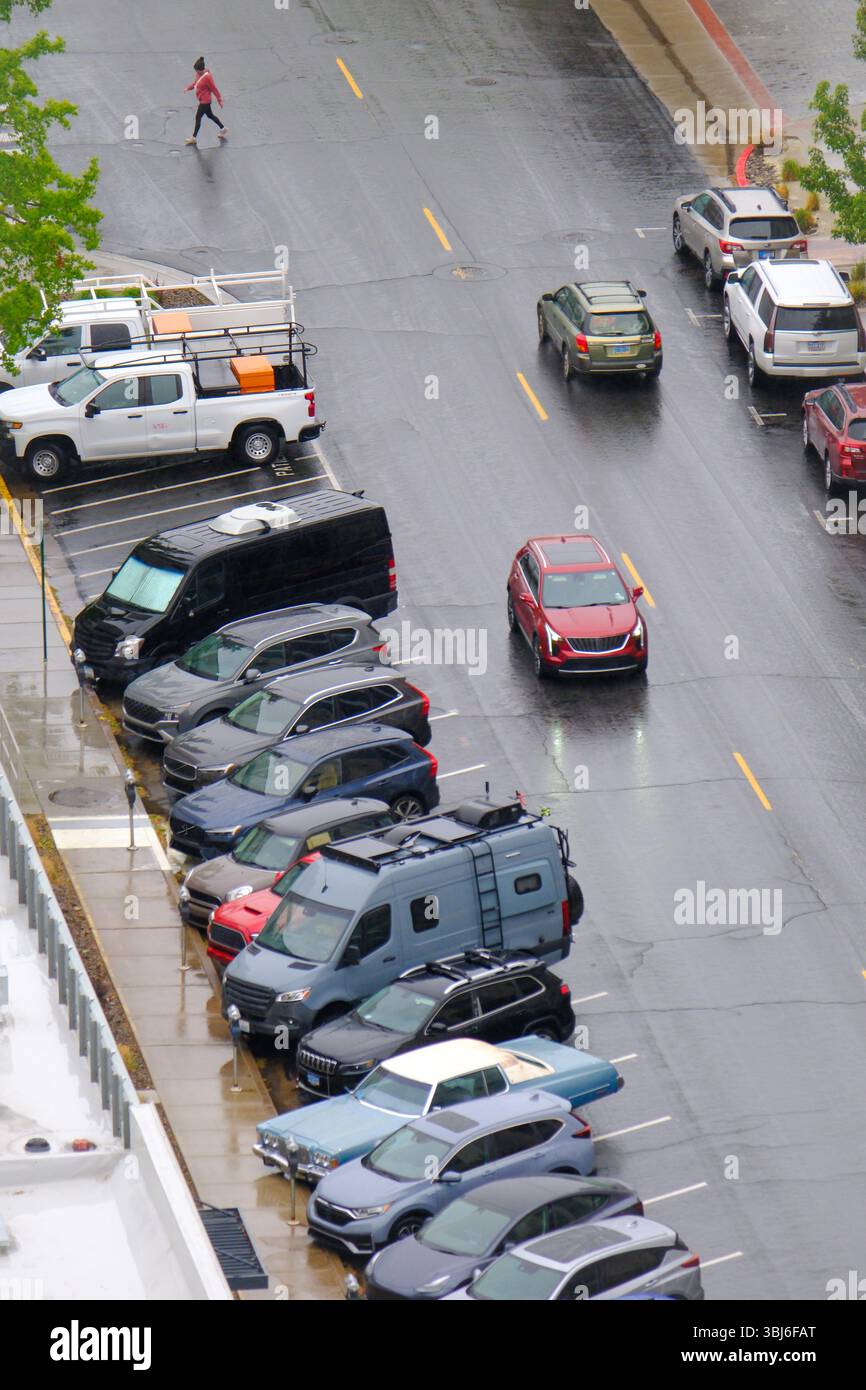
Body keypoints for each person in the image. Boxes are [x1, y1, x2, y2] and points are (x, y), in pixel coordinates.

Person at [185, 57, 226, 146]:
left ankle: (193, 138)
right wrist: (188, 88)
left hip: (205, 101)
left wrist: (220, 100)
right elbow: (195, 83)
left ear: (201, 70)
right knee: (210, 115)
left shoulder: (208, 77)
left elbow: (214, 89)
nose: (196, 73)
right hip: (202, 100)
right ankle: (223, 129)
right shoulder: (198, 75)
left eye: (197, 71)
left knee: (198, 117)